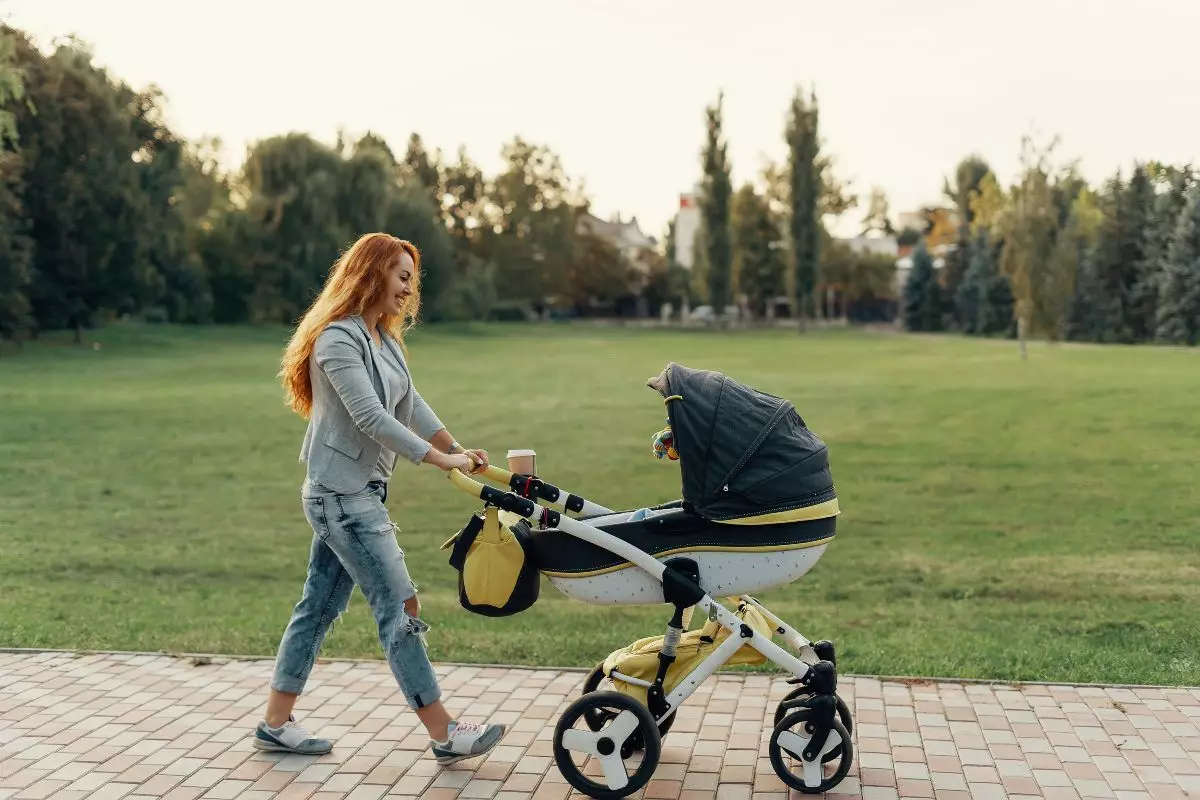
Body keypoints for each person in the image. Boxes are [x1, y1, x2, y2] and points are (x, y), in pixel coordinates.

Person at [253, 232, 506, 766]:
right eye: (402, 276)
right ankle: (445, 732)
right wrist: (439, 463)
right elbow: (371, 417)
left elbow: (410, 404)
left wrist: (457, 449)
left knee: (317, 607)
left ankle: (275, 723)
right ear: (371, 274)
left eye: (412, 279)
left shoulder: (383, 340)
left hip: (354, 494)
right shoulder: (337, 340)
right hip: (341, 498)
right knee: (400, 606)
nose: (409, 290)